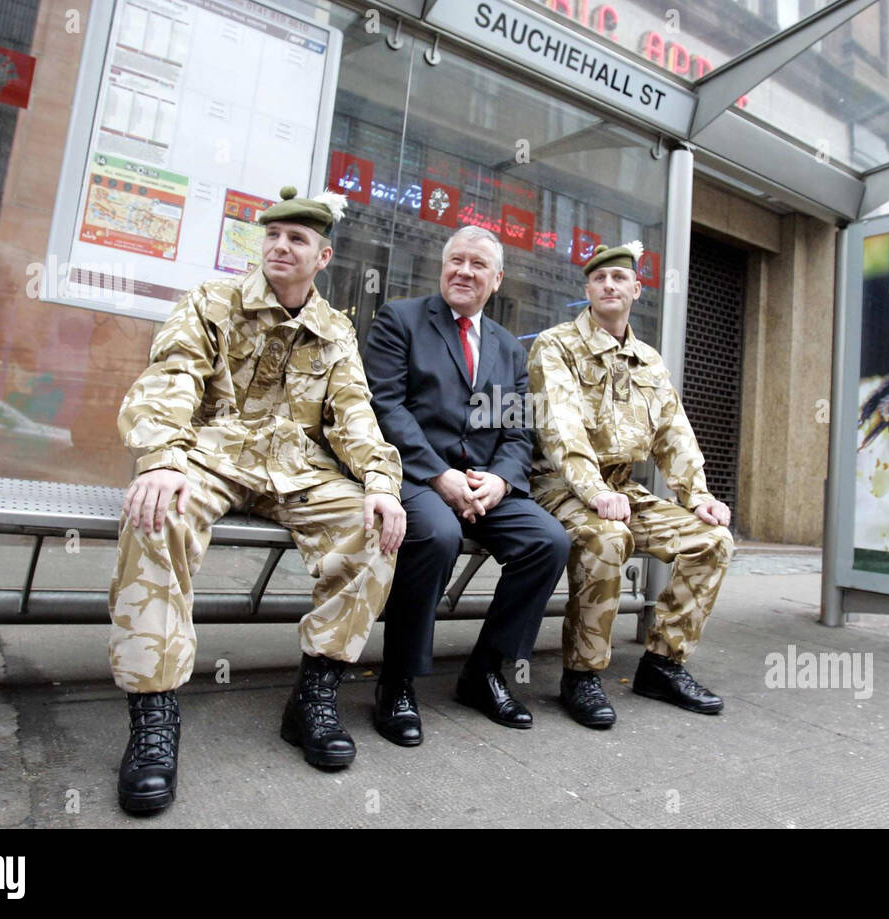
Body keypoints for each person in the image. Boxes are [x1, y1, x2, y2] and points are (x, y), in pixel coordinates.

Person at [110, 187, 406, 813]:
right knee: (157, 514)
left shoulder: (334, 331)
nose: (279, 245)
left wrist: (381, 484)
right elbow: (171, 377)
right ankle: (154, 718)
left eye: (297, 239)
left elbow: (355, 415)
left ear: (323, 257)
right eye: (271, 235)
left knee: (371, 528)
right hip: (210, 456)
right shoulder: (213, 302)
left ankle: (313, 697)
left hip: (297, 469)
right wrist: (161, 458)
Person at [363, 226, 570, 745]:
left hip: (483, 482)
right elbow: (385, 407)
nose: (464, 271)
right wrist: (439, 473)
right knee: (437, 536)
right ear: (442, 266)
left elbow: (519, 431)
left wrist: (501, 480)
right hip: (416, 475)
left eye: (478, 265)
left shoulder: (507, 347)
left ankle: (485, 672)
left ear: (496, 279)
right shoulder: (401, 319)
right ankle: (398, 681)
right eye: (456, 260)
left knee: (549, 542)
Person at [528, 241, 734, 729]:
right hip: (562, 486)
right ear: (587, 290)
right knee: (607, 536)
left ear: (637, 290)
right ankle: (582, 675)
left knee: (713, 540)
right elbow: (560, 425)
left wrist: (697, 495)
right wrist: (593, 490)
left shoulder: (648, 361)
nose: (609, 285)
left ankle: (663, 665)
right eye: (599, 279)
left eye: (619, 278)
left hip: (623, 490)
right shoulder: (556, 344)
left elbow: (674, 434)